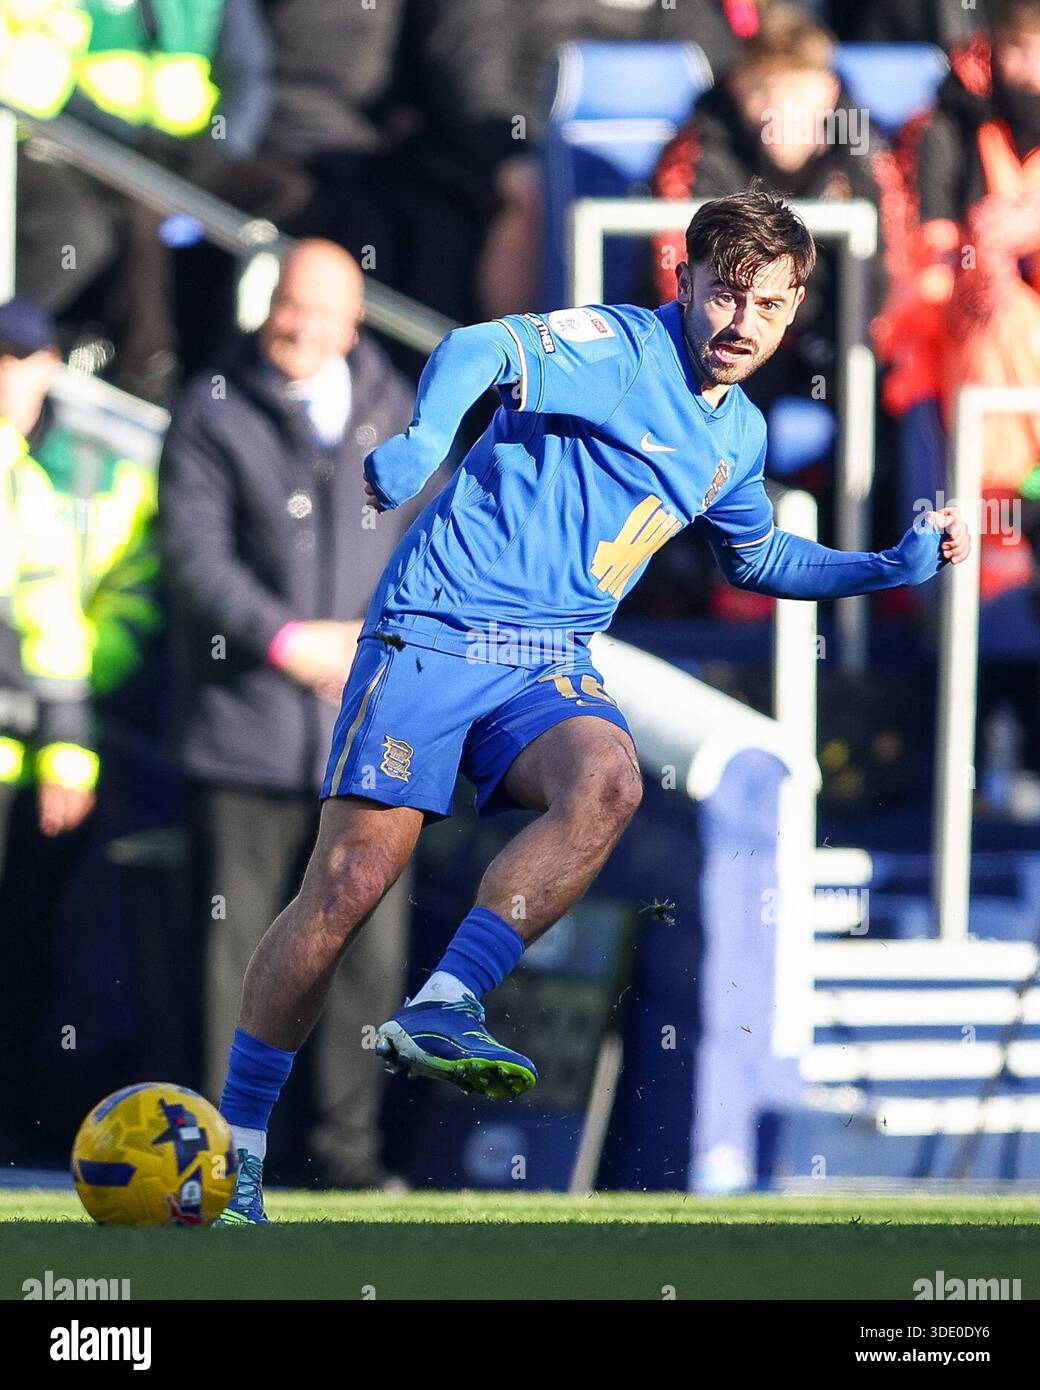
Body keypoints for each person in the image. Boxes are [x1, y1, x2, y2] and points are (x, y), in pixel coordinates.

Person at [213, 185, 969, 1224]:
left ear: (794, 312)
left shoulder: (732, 437)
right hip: (436, 627)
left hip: (546, 654)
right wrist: (428, 435)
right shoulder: (613, 345)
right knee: (346, 890)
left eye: (767, 306)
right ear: (684, 280)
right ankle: (237, 1145)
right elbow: (480, 347)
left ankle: (446, 1001)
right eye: (722, 295)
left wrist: (887, 564)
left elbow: (759, 554)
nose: (739, 325)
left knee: (608, 783)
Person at [159, 240, 434, 1189]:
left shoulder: (399, 411)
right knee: (233, 958)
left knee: (363, 959)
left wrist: (380, 639)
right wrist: (287, 641)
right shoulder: (211, 405)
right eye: (284, 302)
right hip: (244, 735)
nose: (295, 323)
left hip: (371, 747)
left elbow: (436, 543)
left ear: (354, 320)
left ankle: (346, 1160)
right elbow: (193, 559)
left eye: (316, 308)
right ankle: (217, 1161)